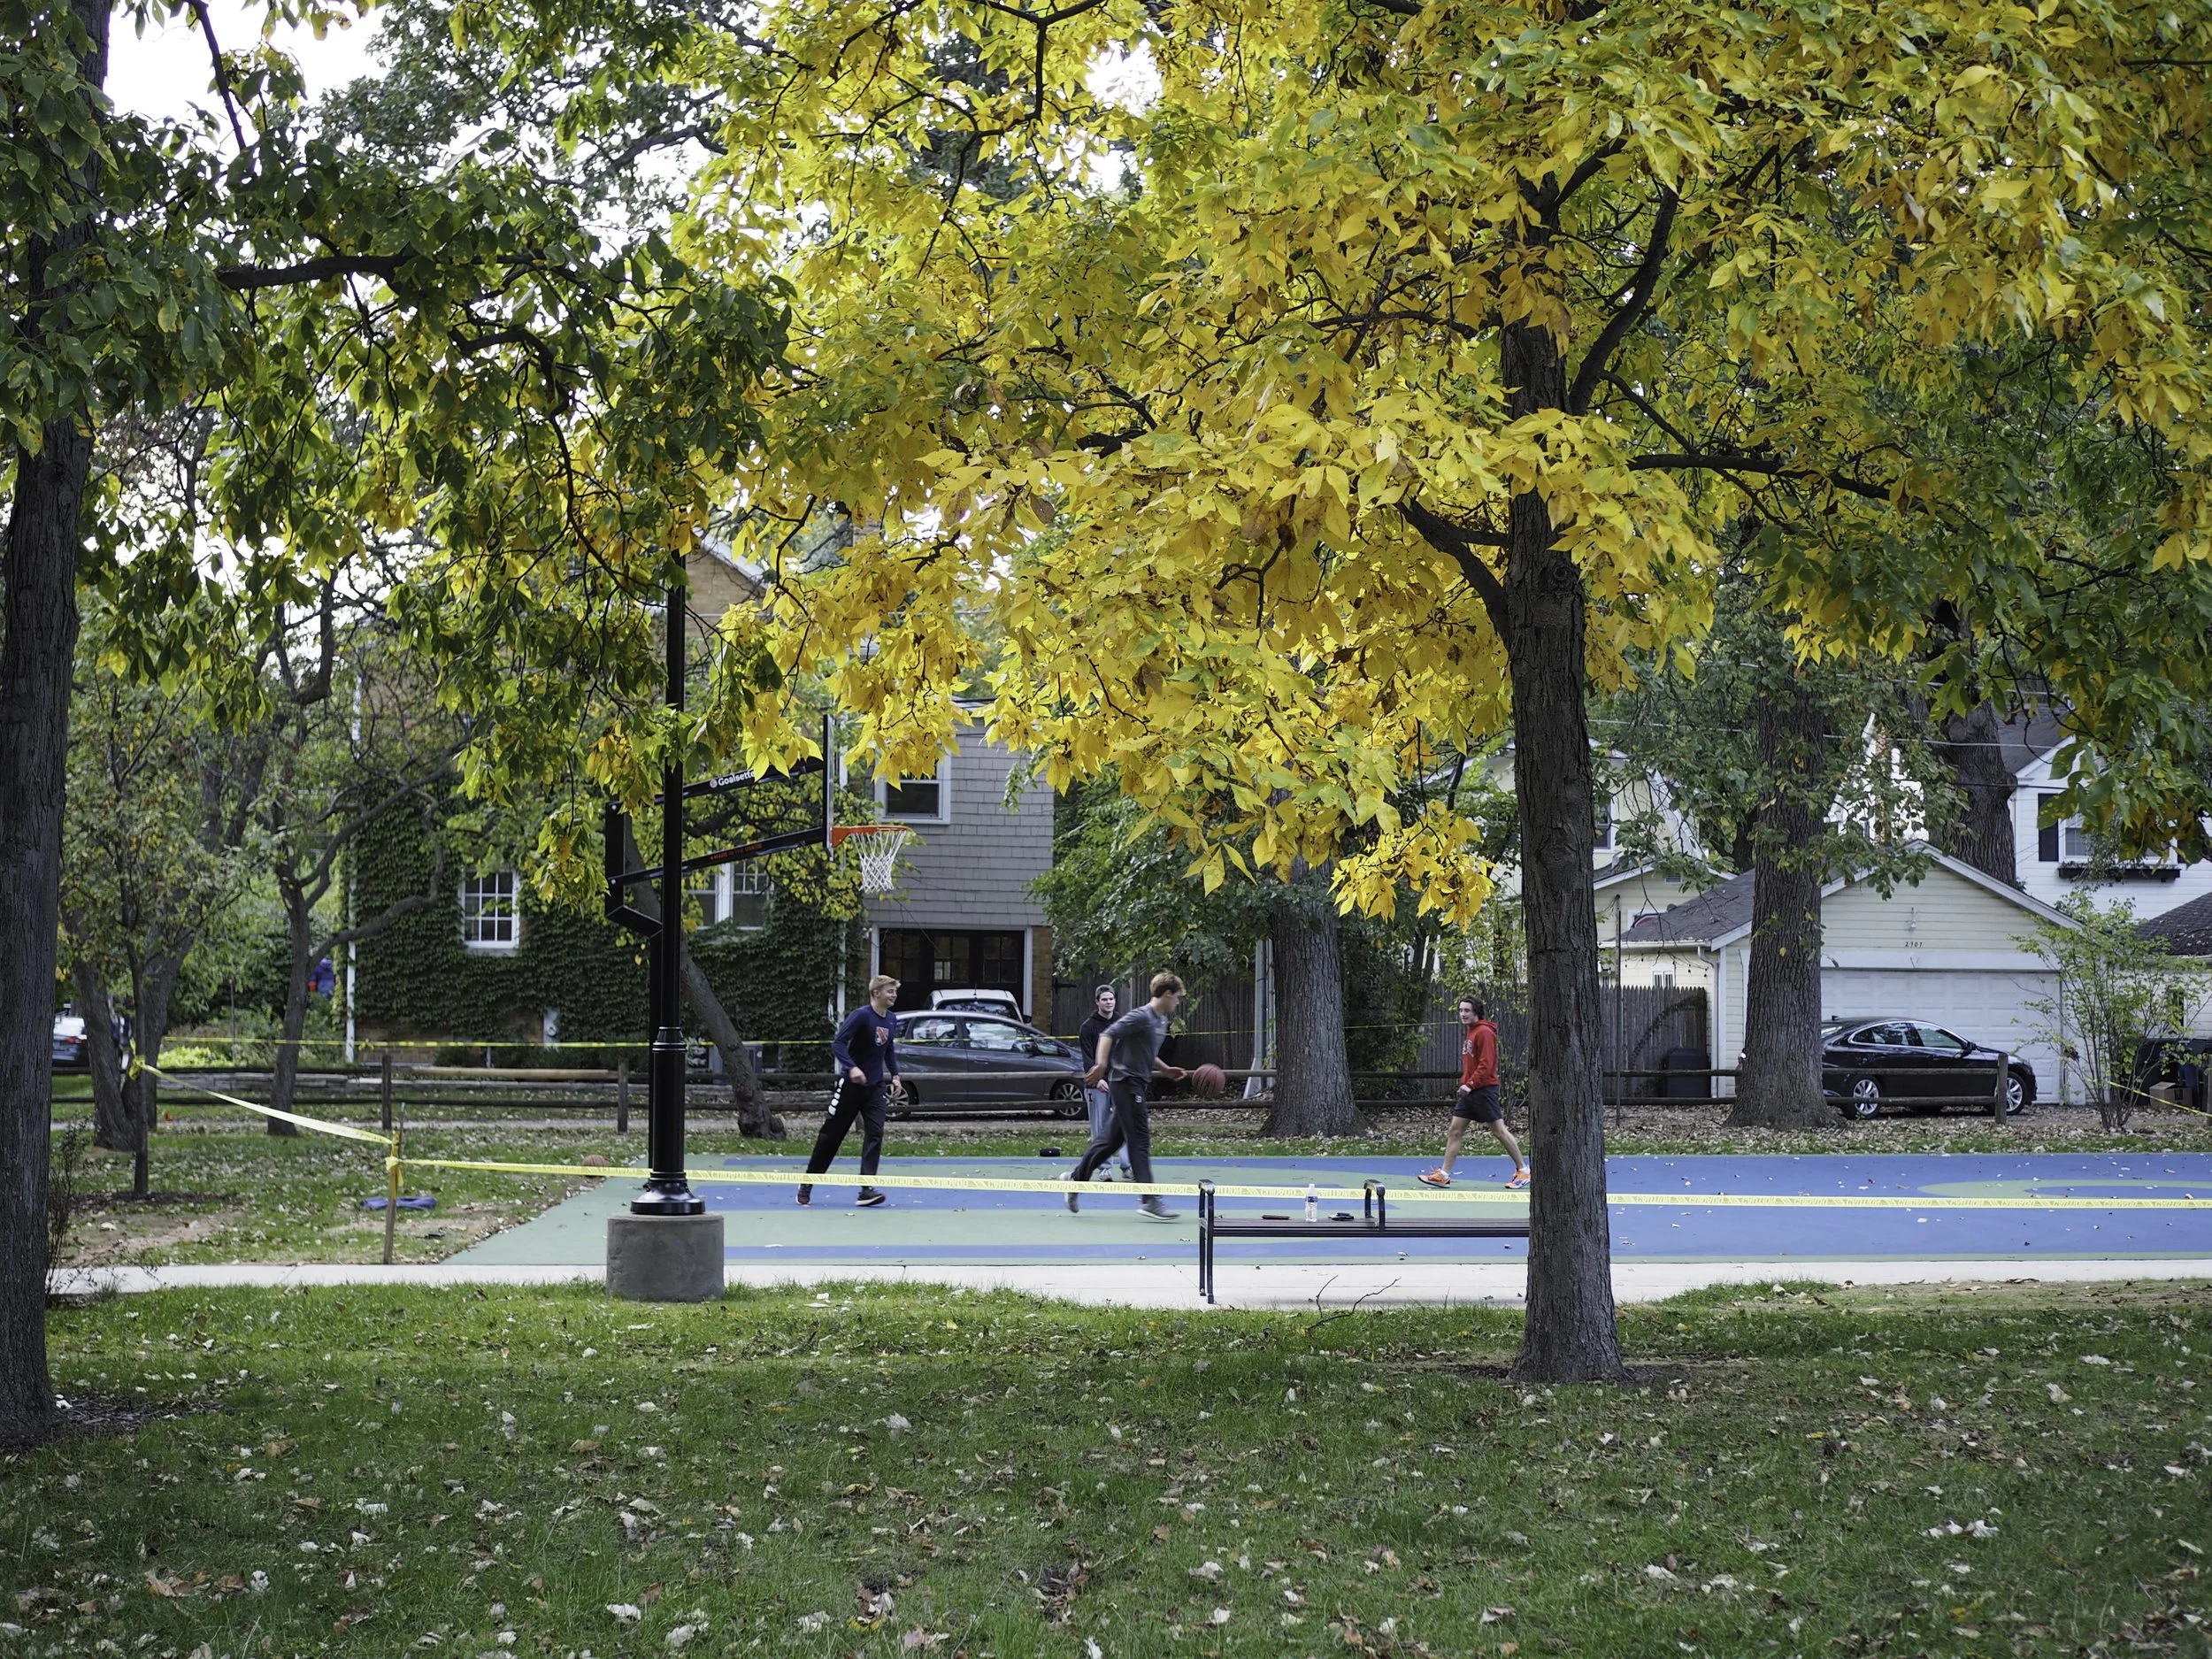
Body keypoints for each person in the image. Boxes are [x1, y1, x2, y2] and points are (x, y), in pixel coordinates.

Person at [1066, 971, 1187, 1221]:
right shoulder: (1141, 1016)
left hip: (1137, 1083)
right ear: (1166, 994)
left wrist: (1165, 1069)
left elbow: (1144, 1050)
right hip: (1125, 1082)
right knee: (1140, 1139)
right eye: (1176, 997)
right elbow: (1107, 1035)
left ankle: (1075, 1180)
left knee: (1110, 1141)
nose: (1178, 1002)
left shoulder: (1160, 1021)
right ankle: (1149, 1200)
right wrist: (1100, 1066)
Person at [797, 974, 905, 1208]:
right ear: (876, 993)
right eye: (890, 991)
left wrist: (895, 1076)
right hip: (850, 1087)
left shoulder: (892, 1020)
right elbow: (837, 1044)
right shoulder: (861, 1016)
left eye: (895, 991)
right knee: (831, 1137)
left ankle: (866, 1190)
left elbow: (888, 1050)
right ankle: (807, 1183)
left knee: (875, 1133)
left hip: (875, 1088)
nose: (894, 995)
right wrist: (852, 1067)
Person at [1419, 996, 1529, 1189]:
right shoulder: (1471, 1032)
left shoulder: (1485, 1032)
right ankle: (1443, 1174)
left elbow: (1486, 1065)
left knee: (1499, 1131)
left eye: (1467, 1010)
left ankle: (1523, 1171)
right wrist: (1467, 1085)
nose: (1463, 1014)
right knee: (1455, 1130)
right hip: (1470, 1091)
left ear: (1476, 1012)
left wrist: (1470, 1084)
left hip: (1484, 1090)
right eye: (1461, 1010)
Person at [1076, 984, 1133, 1180]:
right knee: (1100, 1129)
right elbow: (1087, 1059)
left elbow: (1126, 1053)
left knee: (1124, 1124)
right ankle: (1105, 1168)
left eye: (1111, 999)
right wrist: (1097, 1079)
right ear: (1097, 1002)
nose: (1109, 1002)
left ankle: (1127, 1166)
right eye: (1105, 999)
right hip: (1097, 1086)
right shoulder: (1088, 1027)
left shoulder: (1122, 1023)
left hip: (1119, 1083)